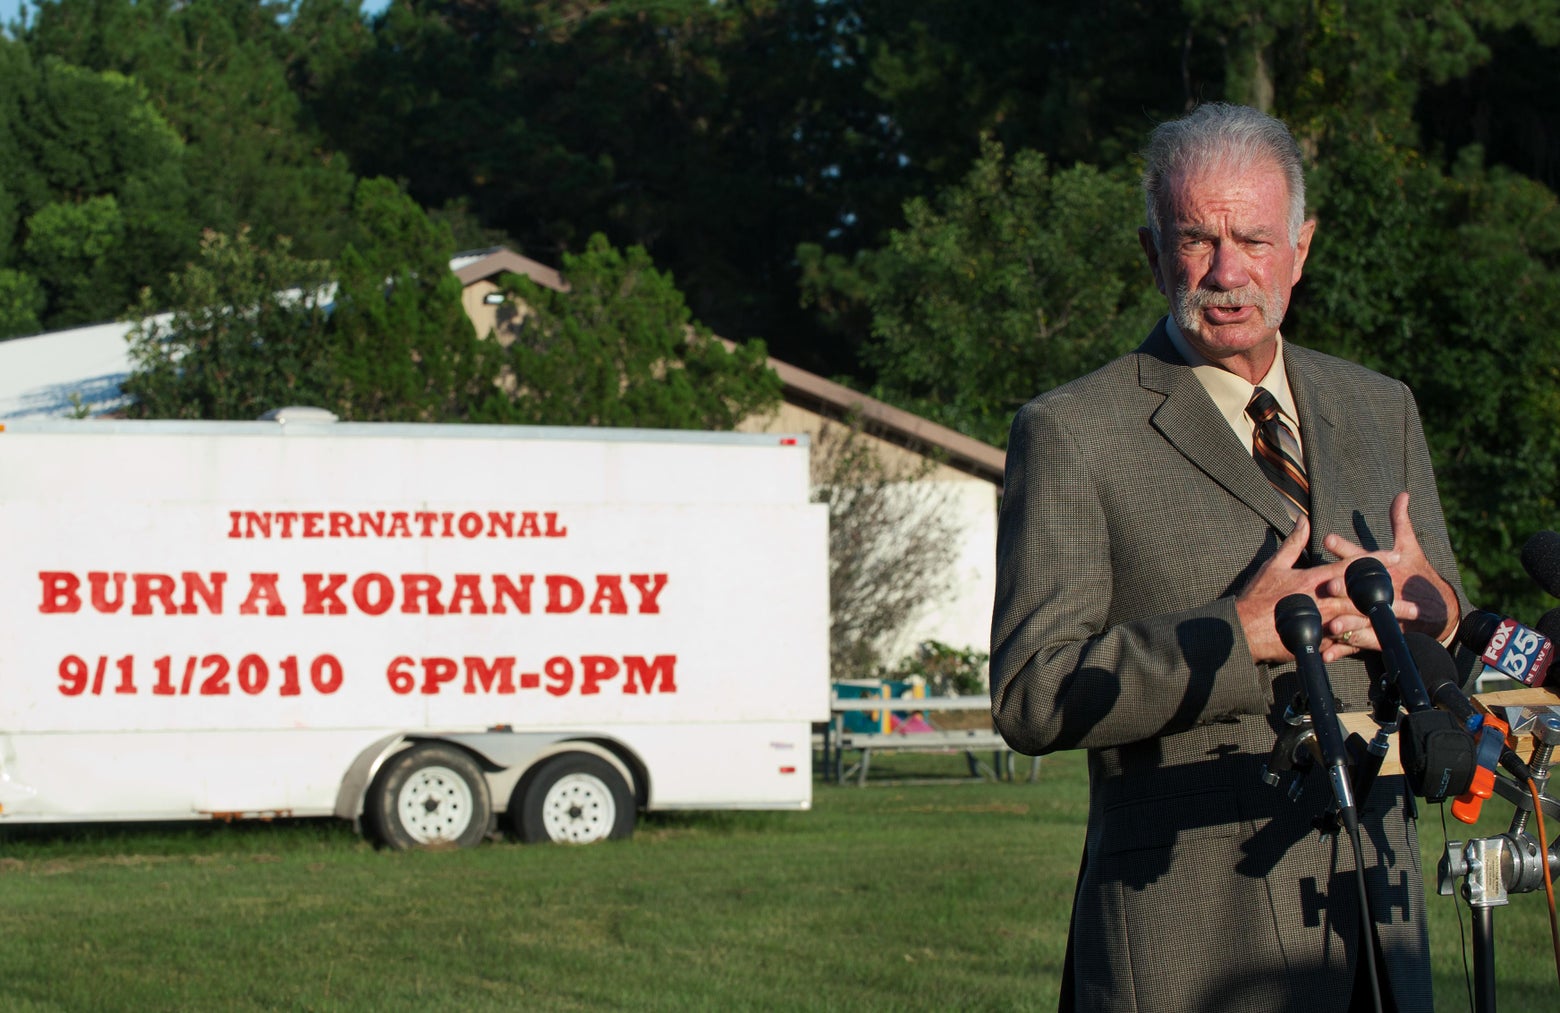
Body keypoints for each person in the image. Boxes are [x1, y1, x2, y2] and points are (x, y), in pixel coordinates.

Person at [990, 103, 1471, 1013]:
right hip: (1189, 945)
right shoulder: (1072, 431)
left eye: (1253, 237)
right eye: (1196, 238)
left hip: (1379, 923)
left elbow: (1448, 632)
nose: (1226, 272)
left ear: (1303, 245)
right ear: (1150, 250)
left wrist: (1438, 609)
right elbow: (1030, 693)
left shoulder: (1382, 408)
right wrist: (1234, 636)